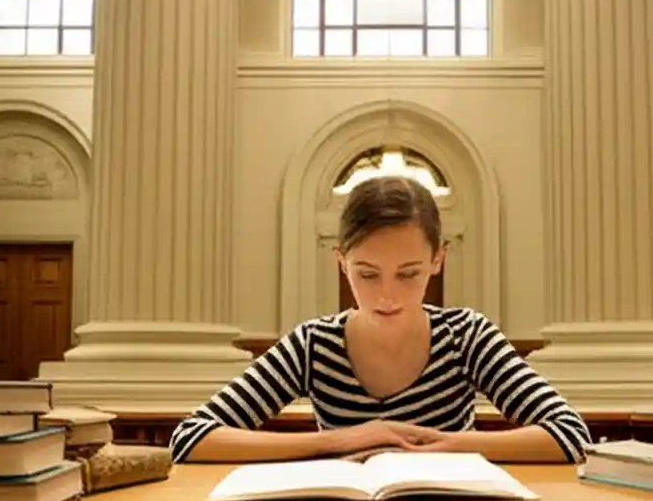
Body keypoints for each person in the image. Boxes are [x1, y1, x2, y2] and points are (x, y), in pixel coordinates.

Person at [169, 174, 591, 464]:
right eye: (367, 274)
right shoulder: (315, 343)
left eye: (409, 274)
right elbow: (191, 437)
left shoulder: (467, 336)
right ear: (341, 263)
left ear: (438, 259)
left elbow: (571, 433)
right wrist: (342, 441)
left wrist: (445, 445)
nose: (387, 295)